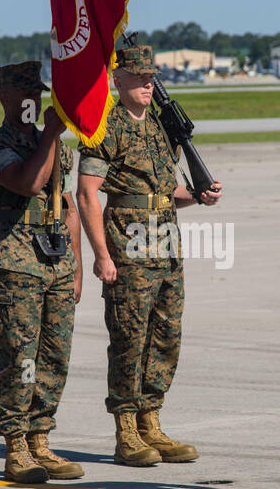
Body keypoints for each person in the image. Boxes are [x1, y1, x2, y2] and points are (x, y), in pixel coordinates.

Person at [77, 45, 221, 466]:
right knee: (129, 339)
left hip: (166, 249)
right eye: (137, 77)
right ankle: (126, 432)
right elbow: (87, 194)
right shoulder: (106, 127)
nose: (146, 84)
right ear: (116, 81)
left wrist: (197, 195)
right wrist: (103, 255)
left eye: (150, 77)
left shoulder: (160, 127)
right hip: (128, 249)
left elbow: (163, 193)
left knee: (165, 337)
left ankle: (150, 423)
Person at [0, 61, 83, 483]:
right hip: (15, 262)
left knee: (55, 356)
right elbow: (29, 183)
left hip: (56, 261)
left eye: (38, 94)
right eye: (25, 93)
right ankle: (16, 444)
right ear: (4, 96)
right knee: (20, 357)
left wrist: (74, 266)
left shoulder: (57, 146)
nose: (33, 102)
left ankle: (41, 438)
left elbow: (67, 206)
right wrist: (52, 135)